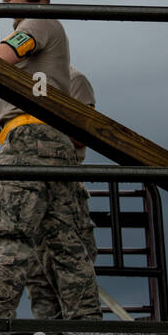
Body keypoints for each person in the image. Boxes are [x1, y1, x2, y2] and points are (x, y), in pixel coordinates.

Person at [0, 0, 100, 319]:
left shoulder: (36, 22)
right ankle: (87, 326)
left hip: (29, 139)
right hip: (55, 146)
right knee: (64, 243)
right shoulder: (49, 30)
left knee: (4, 234)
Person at [25, 65, 99, 318]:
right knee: (37, 275)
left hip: (64, 185)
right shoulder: (21, 78)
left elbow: (85, 133)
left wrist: (40, 133)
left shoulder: (74, 80)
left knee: (71, 266)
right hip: (30, 189)